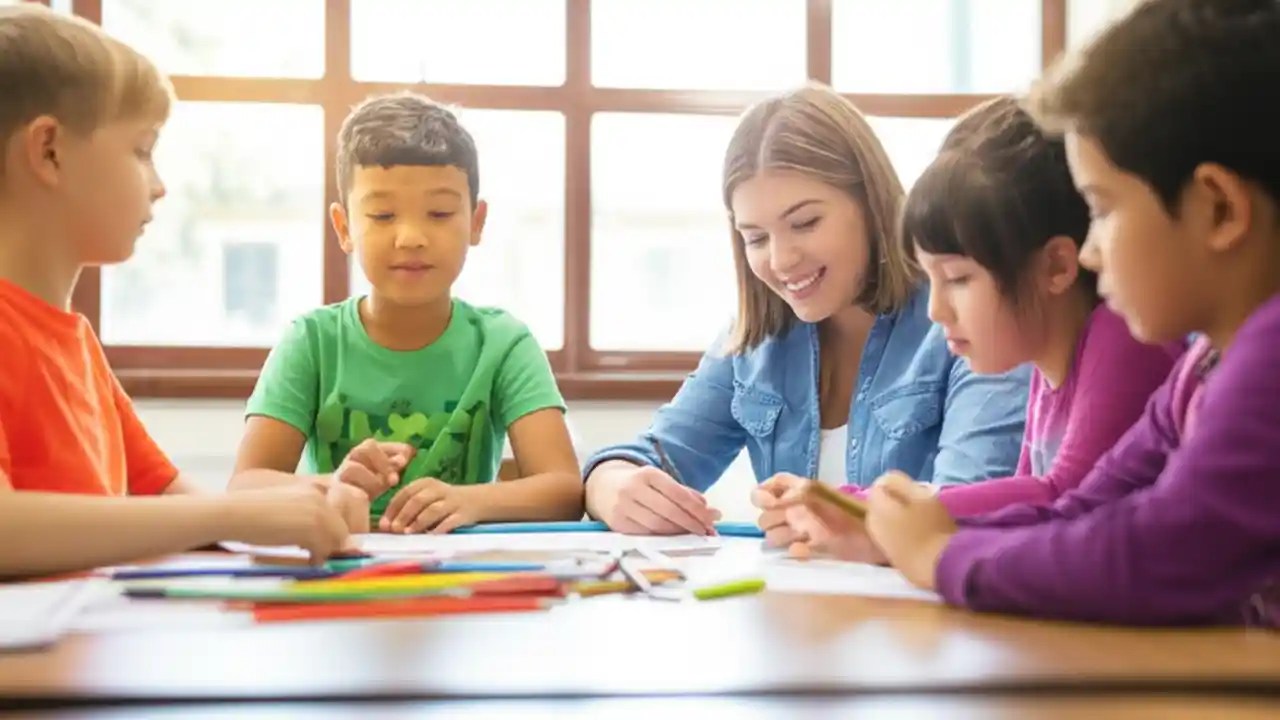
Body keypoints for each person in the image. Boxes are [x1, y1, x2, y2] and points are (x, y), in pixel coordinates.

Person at [835, 0, 1280, 627]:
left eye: (1101, 209)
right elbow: (1082, 509)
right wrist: (907, 538)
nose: (1092, 250)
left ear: (1219, 210)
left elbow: (1157, 549)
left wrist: (942, 557)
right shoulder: (1202, 367)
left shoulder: (1271, 357)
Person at [583, 84, 1030, 537]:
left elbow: (970, 508)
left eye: (805, 223)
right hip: (802, 605)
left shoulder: (964, 321)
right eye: (756, 238)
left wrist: (857, 525)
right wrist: (611, 486)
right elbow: (649, 456)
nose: (780, 260)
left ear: (871, 204)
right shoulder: (756, 340)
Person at [0, 5, 350, 575]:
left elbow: (169, 498)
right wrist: (231, 518)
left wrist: (304, 503)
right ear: (49, 151)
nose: (160, 186)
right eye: (141, 150)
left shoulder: (76, 343)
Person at [778, 96, 1182, 561]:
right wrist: (858, 507)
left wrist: (876, 513)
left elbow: (1063, 499)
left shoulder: (1123, 339)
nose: (935, 310)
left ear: (1055, 265)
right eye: (929, 280)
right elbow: (1032, 495)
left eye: (958, 279)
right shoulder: (1048, 359)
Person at [231, 93, 583, 535]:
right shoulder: (313, 341)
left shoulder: (504, 342)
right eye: (382, 215)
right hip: (344, 568)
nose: (411, 237)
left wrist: (469, 500)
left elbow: (564, 490)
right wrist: (331, 486)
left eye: (439, 213)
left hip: (460, 573)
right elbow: (245, 486)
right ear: (344, 228)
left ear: (476, 222)